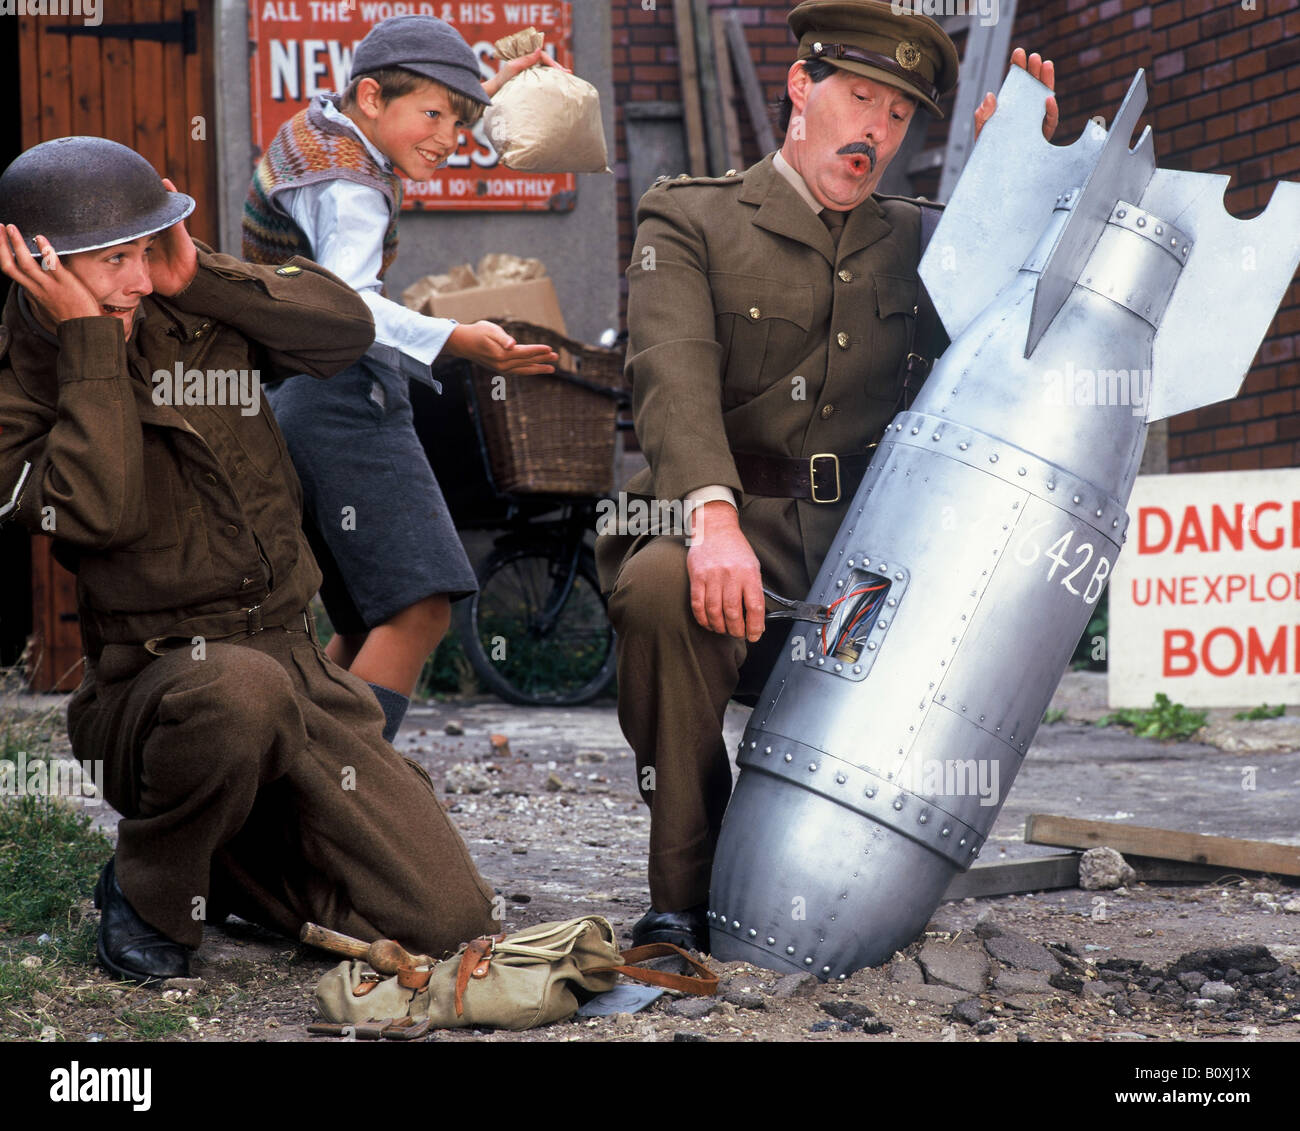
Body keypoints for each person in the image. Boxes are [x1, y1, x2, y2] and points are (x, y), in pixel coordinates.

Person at [596, 0, 1059, 951]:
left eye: (898, 115)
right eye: (859, 97)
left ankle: (856, 878)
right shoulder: (690, 215)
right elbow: (670, 371)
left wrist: (1020, 173)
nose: (877, 131)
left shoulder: (924, 236)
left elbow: (1025, 314)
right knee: (657, 583)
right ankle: (687, 891)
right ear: (801, 88)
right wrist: (711, 520)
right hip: (737, 529)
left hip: (871, 547)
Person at [0, 136, 497, 983]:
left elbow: (345, 332)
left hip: (299, 671)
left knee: (448, 918)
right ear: (37, 266)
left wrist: (203, 275)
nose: (138, 280)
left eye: (145, 252)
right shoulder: (22, 385)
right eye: (113, 261)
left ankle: (226, 858)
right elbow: (100, 515)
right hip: (158, 691)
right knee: (237, 689)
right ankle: (151, 886)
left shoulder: (188, 305)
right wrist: (89, 348)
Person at [242, 15, 560, 743]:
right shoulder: (349, 184)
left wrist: (483, 93)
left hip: (295, 401)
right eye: (435, 116)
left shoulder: (323, 132)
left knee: (366, 624)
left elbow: (408, 126)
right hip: (340, 401)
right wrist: (458, 338)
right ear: (372, 95)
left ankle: (304, 788)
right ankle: (339, 798)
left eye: (457, 118)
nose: (449, 137)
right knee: (421, 608)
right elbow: (348, 304)